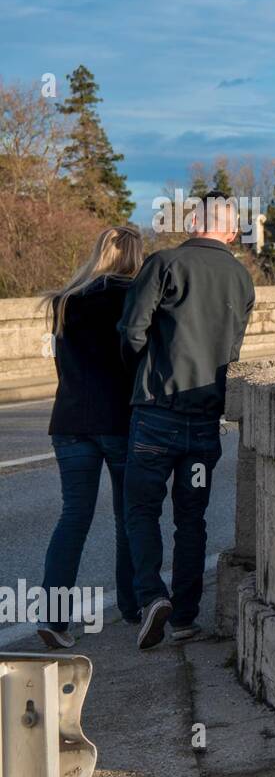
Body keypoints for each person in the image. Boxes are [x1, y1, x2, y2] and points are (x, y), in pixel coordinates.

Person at [119, 192, 256, 649]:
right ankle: (185, 616)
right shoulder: (241, 278)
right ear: (232, 231)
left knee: (140, 510)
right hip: (204, 422)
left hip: (156, 412)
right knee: (191, 519)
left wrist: (140, 373)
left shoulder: (165, 264)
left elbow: (132, 331)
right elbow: (233, 350)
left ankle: (152, 596)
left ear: (193, 221)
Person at [36, 227, 145, 648]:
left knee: (73, 518)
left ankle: (52, 616)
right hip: (118, 421)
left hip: (69, 421)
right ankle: (133, 605)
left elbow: (63, 367)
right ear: (134, 256)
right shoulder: (134, 298)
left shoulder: (66, 300)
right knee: (127, 517)